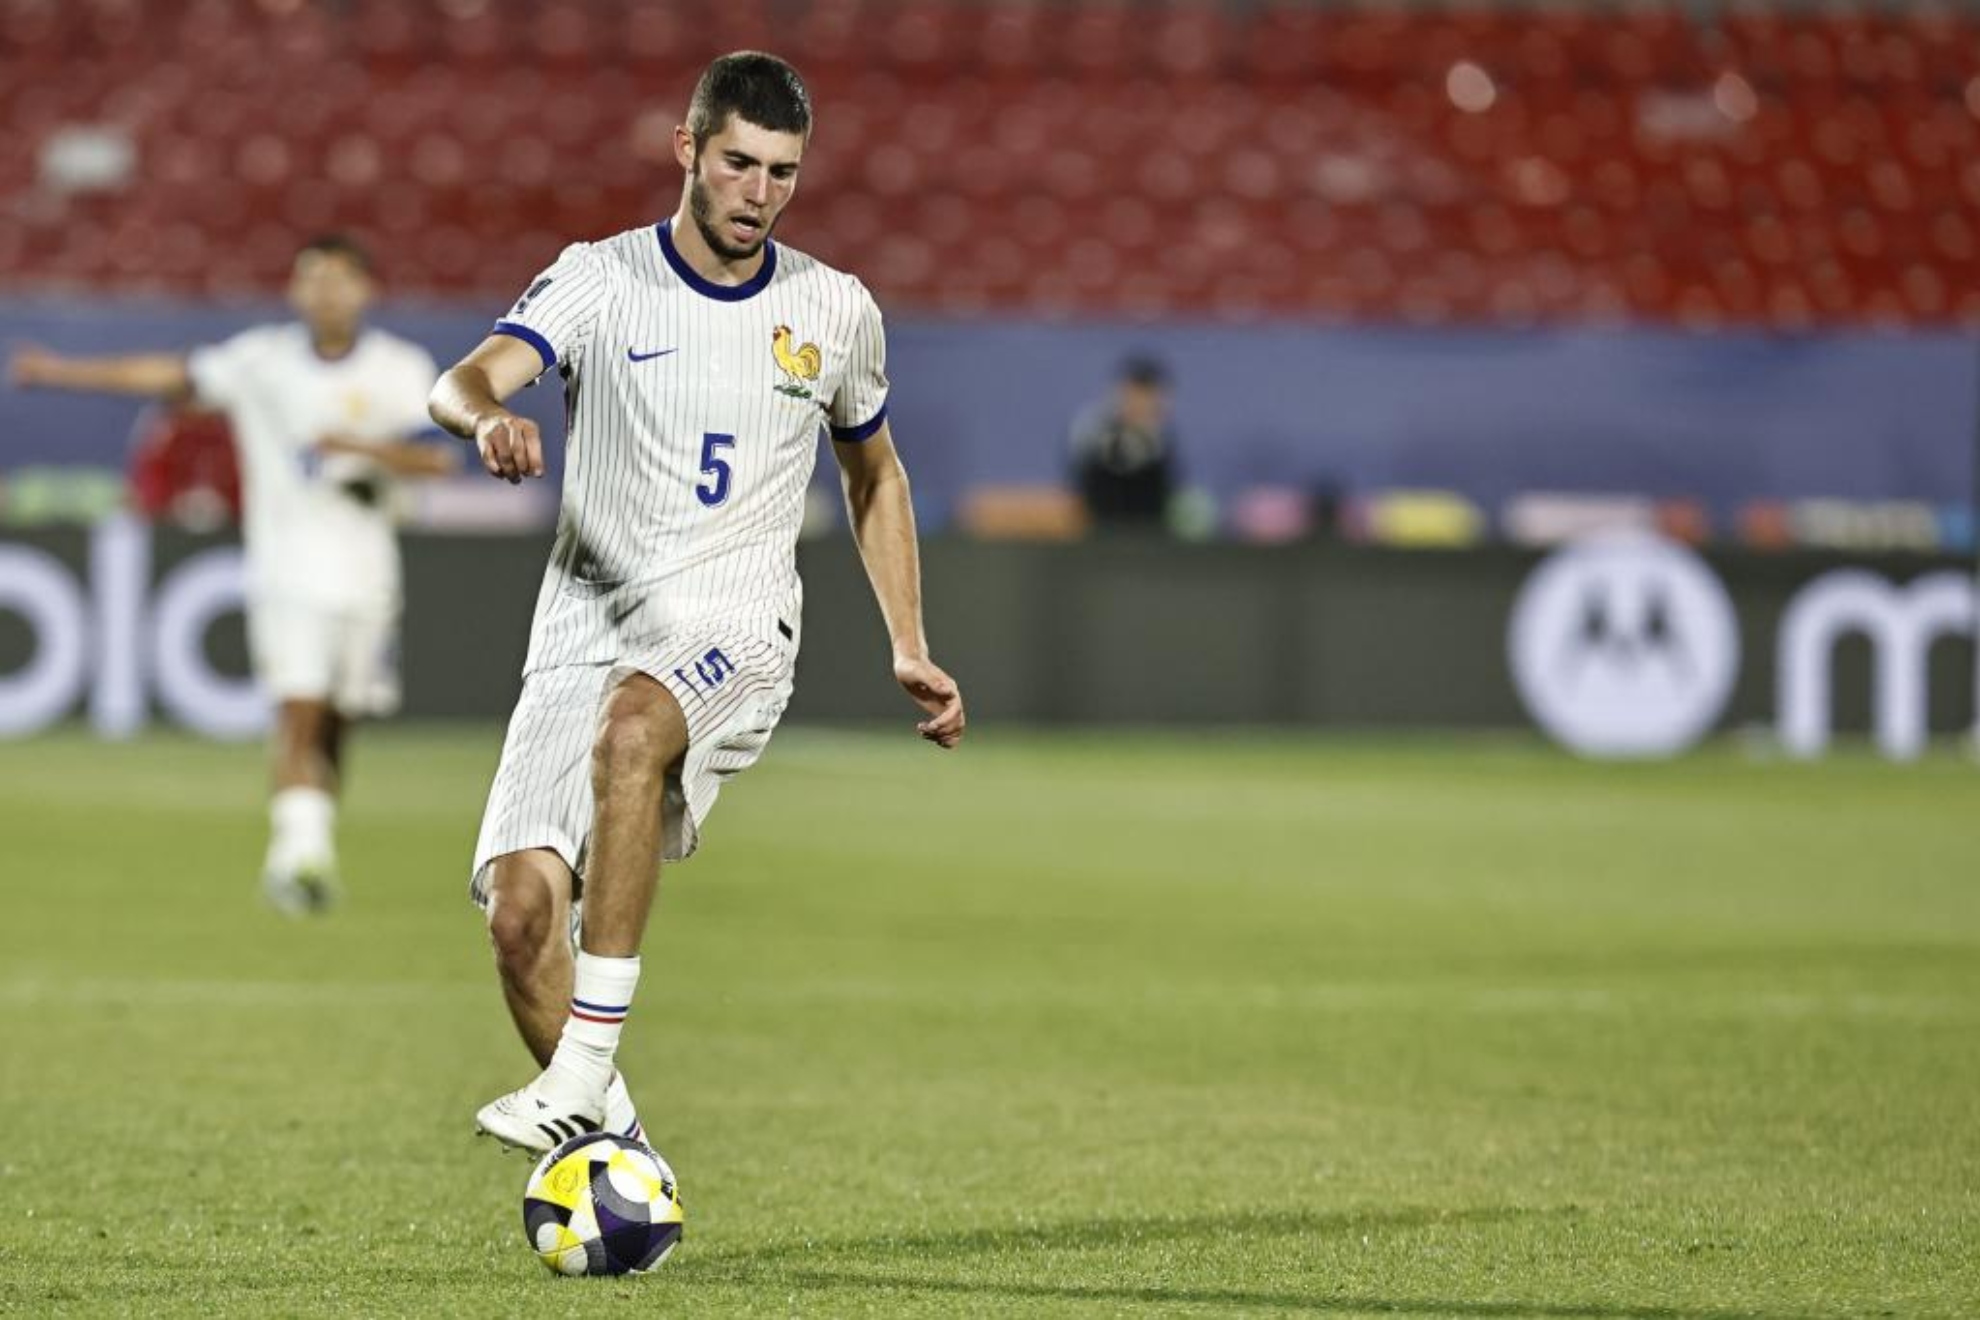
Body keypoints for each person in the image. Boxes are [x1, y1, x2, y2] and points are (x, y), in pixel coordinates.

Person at [428, 51, 966, 1154]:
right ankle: (628, 1169)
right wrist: (486, 420)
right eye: (738, 164)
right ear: (688, 152)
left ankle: (578, 1075)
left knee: (635, 730)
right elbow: (461, 378)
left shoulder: (834, 308)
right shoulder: (601, 278)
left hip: (736, 626)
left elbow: (876, 474)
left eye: (783, 172)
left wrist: (907, 639)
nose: (759, 193)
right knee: (524, 923)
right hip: (584, 628)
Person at [8, 235, 458, 913]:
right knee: (298, 712)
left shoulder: (400, 368)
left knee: (339, 722)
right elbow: (172, 378)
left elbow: (438, 460)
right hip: (284, 570)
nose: (326, 293)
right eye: (313, 280)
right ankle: (299, 863)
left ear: (365, 291)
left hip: (366, 575)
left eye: (339, 280)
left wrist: (357, 448)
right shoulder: (261, 361)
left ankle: (307, 843)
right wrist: (61, 371)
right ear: (295, 291)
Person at [1068, 352, 1181, 527]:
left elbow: (1163, 498)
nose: (1142, 403)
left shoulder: (1162, 440)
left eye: (1149, 395)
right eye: (1136, 393)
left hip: (1149, 537)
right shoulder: (1096, 431)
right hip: (1102, 533)